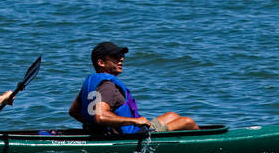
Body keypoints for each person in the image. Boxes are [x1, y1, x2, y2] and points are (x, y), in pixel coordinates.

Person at [68, 41, 198, 136]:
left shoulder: (94, 82)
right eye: (115, 57)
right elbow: (101, 116)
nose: (121, 59)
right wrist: (134, 121)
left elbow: (74, 111)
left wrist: (96, 128)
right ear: (101, 63)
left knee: (172, 115)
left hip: (129, 130)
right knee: (187, 122)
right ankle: (197, 149)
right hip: (133, 134)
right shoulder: (107, 86)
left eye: (121, 56)